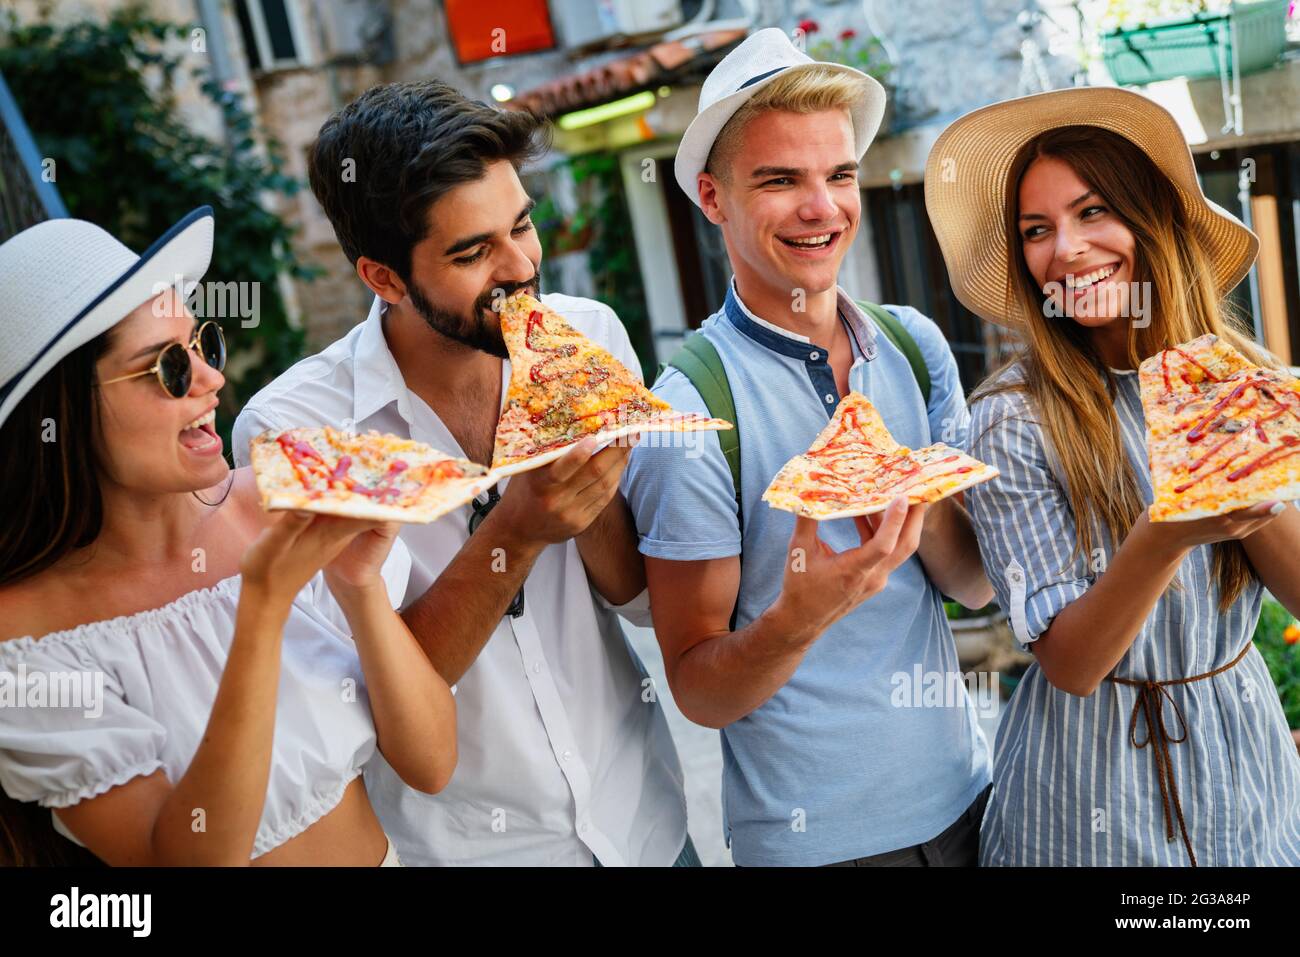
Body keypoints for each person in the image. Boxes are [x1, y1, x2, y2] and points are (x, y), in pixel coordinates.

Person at [232, 80, 694, 866]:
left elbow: (632, 595)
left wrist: (585, 477)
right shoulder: (296, 433)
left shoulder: (589, 334)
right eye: (473, 252)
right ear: (383, 278)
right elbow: (377, 699)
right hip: (473, 851)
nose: (521, 268)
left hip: (645, 822)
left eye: (522, 225)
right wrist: (518, 529)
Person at [620, 28, 995, 867]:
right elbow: (698, 688)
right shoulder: (688, 413)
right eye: (781, 180)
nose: (823, 207)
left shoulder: (913, 345)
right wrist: (800, 617)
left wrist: (901, 482)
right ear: (713, 199)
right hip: (818, 846)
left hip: (969, 798)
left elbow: (972, 586)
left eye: (840, 175)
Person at [0, 209, 457, 866]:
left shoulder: (278, 502)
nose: (211, 380)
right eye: (166, 367)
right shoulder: (24, 644)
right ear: (63, 412)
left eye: (201, 345)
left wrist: (358, 589)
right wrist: (261, 611)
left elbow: (433, 761)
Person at [925, 86, 1300, 865]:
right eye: (1037, 229)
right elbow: (1071, 661)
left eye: (1093, 211)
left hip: (1243, 760)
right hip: (1088, 786)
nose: (1064, 249)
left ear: (1151, 218)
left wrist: (1235, 454)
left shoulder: (1236, 380)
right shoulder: (1013, 417)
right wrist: (1164, 533)